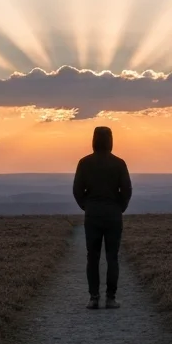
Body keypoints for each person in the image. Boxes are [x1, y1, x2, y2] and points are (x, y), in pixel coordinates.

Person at [72, 125, 132, 309]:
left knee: (93, 257)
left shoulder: (84, 163)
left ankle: (94, 297)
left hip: (93, 215)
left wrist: (86, 206)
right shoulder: (119, 163)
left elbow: (76, 190)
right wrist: (120, 207)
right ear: (111, 141)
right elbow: (127, 190)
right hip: (113, 214)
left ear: (94, 140)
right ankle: (111, 298)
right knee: (112, 257)